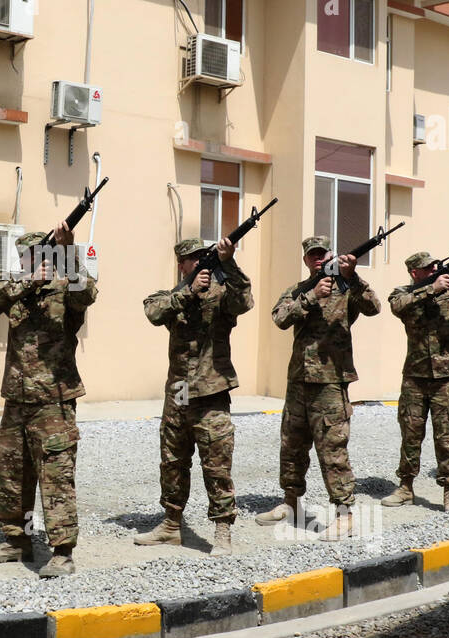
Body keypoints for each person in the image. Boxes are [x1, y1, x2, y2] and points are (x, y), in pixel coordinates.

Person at [0, 224, 97, 577]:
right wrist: (27, 281)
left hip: (54, 400)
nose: (29, 260)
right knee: (14, 473)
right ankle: (19, 540)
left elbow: (88, 293)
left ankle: (62, 551)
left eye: (37, 254)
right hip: (17, 396)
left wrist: (70, 250)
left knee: (56, 474)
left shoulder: (65, 287)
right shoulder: (16, 288)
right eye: (25, 256)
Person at [256, 236, 380, 540]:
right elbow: (279, 317)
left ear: (331, 255)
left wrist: (352, 277)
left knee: (332, 448)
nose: (317, 259)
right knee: (292, 445)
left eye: (322, 253)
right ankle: (291, 503)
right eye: (312, 255)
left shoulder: (346, 287)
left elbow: (374, 306)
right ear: (306, 259)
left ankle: (344, 514)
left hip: (330, 381)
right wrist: (310, 297)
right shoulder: (299, 290)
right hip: (299, 379)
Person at [134, 236, 253, 556]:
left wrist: (228, 263)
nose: (200, 263)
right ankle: (172, 524)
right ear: (182, 264)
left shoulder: (221, 293)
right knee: (173, 460)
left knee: (217, 462)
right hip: (180, 390)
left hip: (212, 389)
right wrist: (189, 291)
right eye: (193, 259)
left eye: (205, 258)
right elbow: (153, 310)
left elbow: (244, 300)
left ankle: (223, 528)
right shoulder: (176, 294)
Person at [382, 251, 449, 512]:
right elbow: (397, 306)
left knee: (448, 435)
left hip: (446, 374)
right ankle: (406, 487)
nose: (434, 270)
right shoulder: (403, 292)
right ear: (414, 273)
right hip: (415, 375)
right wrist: (430, 289)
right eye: (428, 269)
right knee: (410, 433)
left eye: (435, 266)